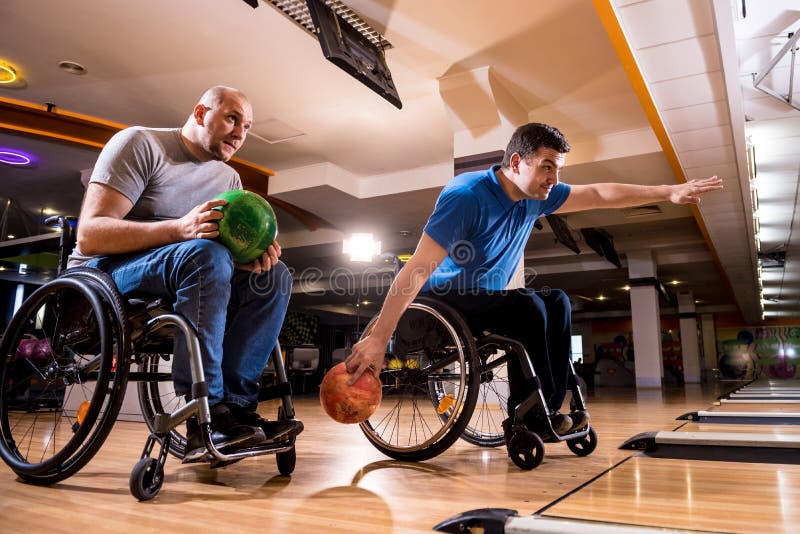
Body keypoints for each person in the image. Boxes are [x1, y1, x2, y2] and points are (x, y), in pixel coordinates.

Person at [345, 122, 723, 437]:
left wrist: (669, 191)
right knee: (526, 306)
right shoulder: (466, 196)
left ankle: (547, 407)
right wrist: (380, 337)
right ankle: (527, 417)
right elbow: (416, 269)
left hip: (484, 299)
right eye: (546, 167)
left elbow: (599, 193)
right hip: (440, 300)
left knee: (556, 300)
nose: (553, 178)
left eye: (557, 169)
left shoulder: (538, 195)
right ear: (516, 162)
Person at [68, 85, 303, 462]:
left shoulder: (229, 181)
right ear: (199, 113)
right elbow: (91, 234)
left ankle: (237, 408)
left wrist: (247, 262)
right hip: (107, 273)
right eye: (232, 118)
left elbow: (214, 257)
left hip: (188, 266)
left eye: (247, 126)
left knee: (274, 277)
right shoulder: (140, 144)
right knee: (203, 254)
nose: (241, 133)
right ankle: (203, 412)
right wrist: (179, 229)